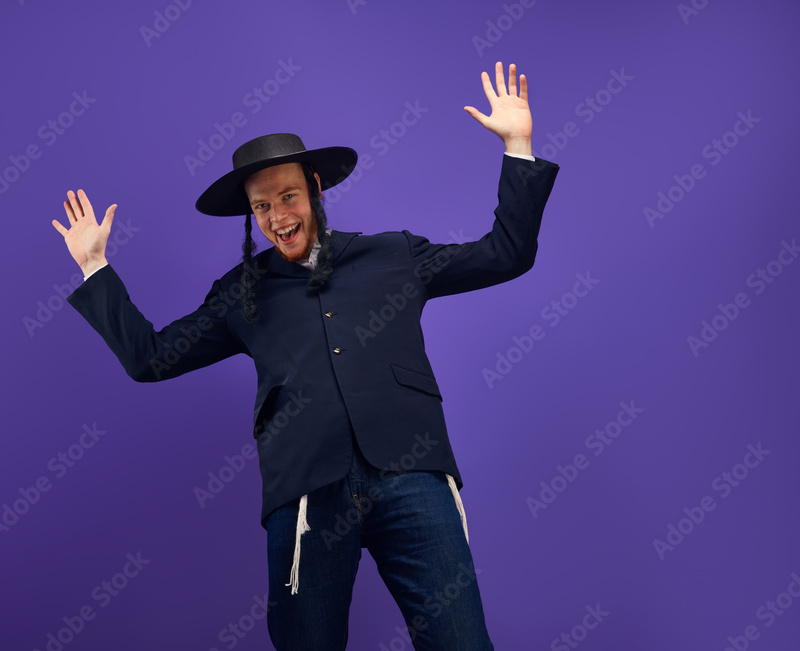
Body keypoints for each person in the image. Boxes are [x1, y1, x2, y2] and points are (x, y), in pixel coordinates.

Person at [52, 62, 560, 650]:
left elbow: (506, 254)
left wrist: (517, 146)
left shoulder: (393, 255)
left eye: (288, 197)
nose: (278, 217)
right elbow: (151, 359)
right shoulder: (238, 294)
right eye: (262, 208)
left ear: (315, 189)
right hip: (305, 491)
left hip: (411, 473)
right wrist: (95, 266)